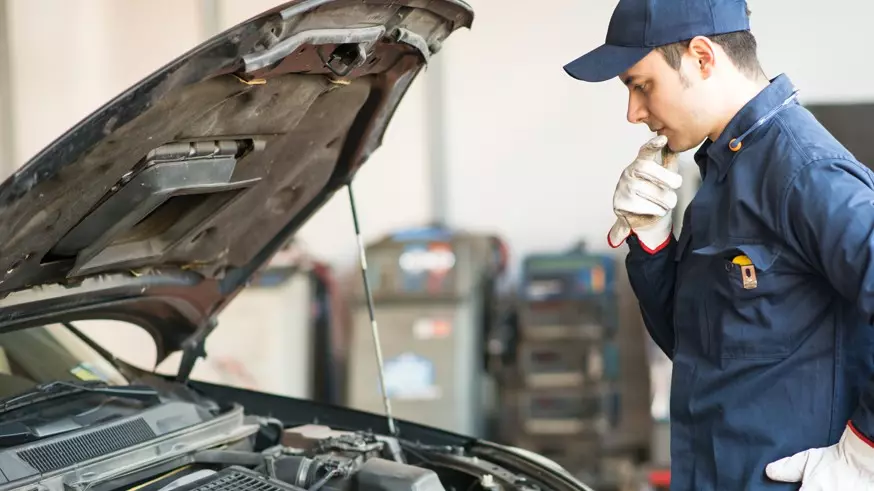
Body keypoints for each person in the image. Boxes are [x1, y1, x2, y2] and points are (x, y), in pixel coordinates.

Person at [563, 0, 874, 489]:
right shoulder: (722, 174)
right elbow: (696, 350)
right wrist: (652, 242)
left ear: (702, 57)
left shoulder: (805, 173)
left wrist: (864, 452)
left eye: (641, 85)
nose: (633, 113)